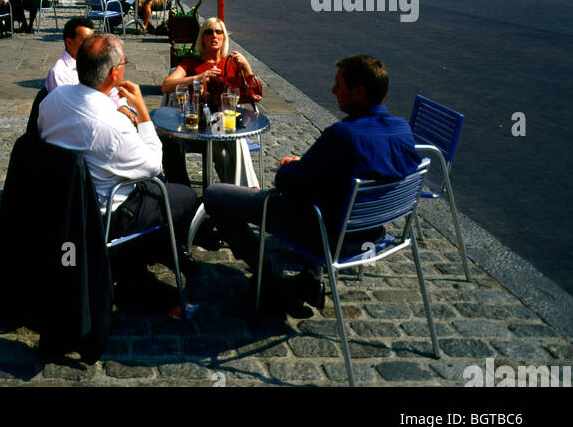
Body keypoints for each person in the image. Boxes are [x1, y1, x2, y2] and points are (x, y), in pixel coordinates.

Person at [203, 54, 419, 315]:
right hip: (371, 233)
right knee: (325, 191)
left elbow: (286, 182)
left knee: (215, 195)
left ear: (359, 91)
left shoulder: (342, 136)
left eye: (339, 84)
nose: (333, 90)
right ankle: (310, 278)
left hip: (326, 236)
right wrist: (309, 166)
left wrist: (291, 165)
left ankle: (267, 280)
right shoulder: (402, 130)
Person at [38, 34, 198, 269]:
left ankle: (155, 250)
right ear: (114, 73)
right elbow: (153, 166)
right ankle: (150, 254)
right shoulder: (112, 124)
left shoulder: (53, 99)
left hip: (63, 203)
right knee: (186, 197)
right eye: (124, 63)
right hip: (107, 214)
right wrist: (143, 111)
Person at [160, 18, 256, 187]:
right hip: (195, 129)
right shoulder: (191, 63)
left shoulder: (231, 64)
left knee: (229, 143)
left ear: (224, 38)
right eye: (209, 31)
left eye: (219, 32)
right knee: (227, 142)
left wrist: (247, 69)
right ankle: (245, 192)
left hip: (224, 126)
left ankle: (243, 191)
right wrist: (197, 78)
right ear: (202, 38)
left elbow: (254, 96)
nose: (214, 35)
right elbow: (166, 86)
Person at [44, 15, 96, 92]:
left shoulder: (94, 63)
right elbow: (67, 103)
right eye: (87, 40)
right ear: (69, 43)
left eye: (93, 40)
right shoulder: (59, 73)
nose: (92, 45)